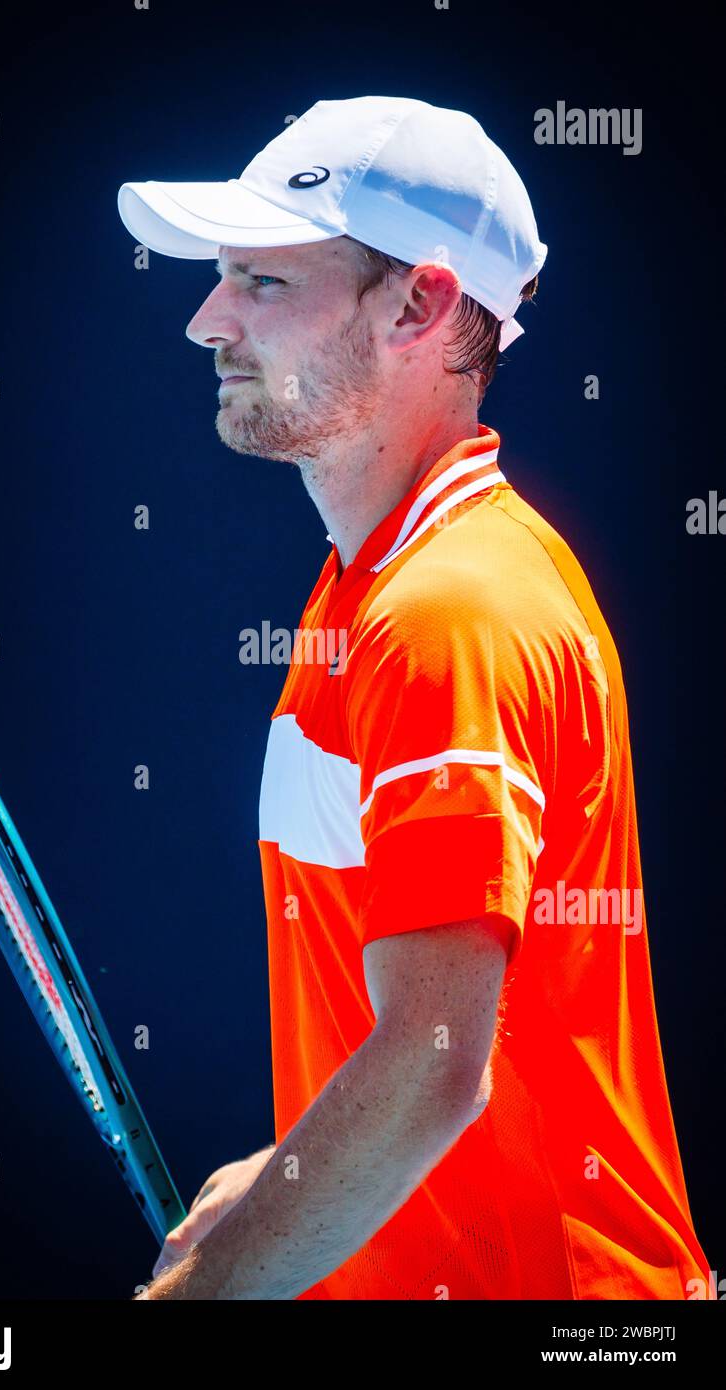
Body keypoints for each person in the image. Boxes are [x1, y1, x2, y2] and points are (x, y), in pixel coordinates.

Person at [118, 96, 711, 1300]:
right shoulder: (375, 584)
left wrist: (208, 1288)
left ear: (419, 306)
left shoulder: (446, 612)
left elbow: (434, 1065)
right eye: (222, 278)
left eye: (262, 284)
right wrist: (291, 1178)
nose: (203, 320)